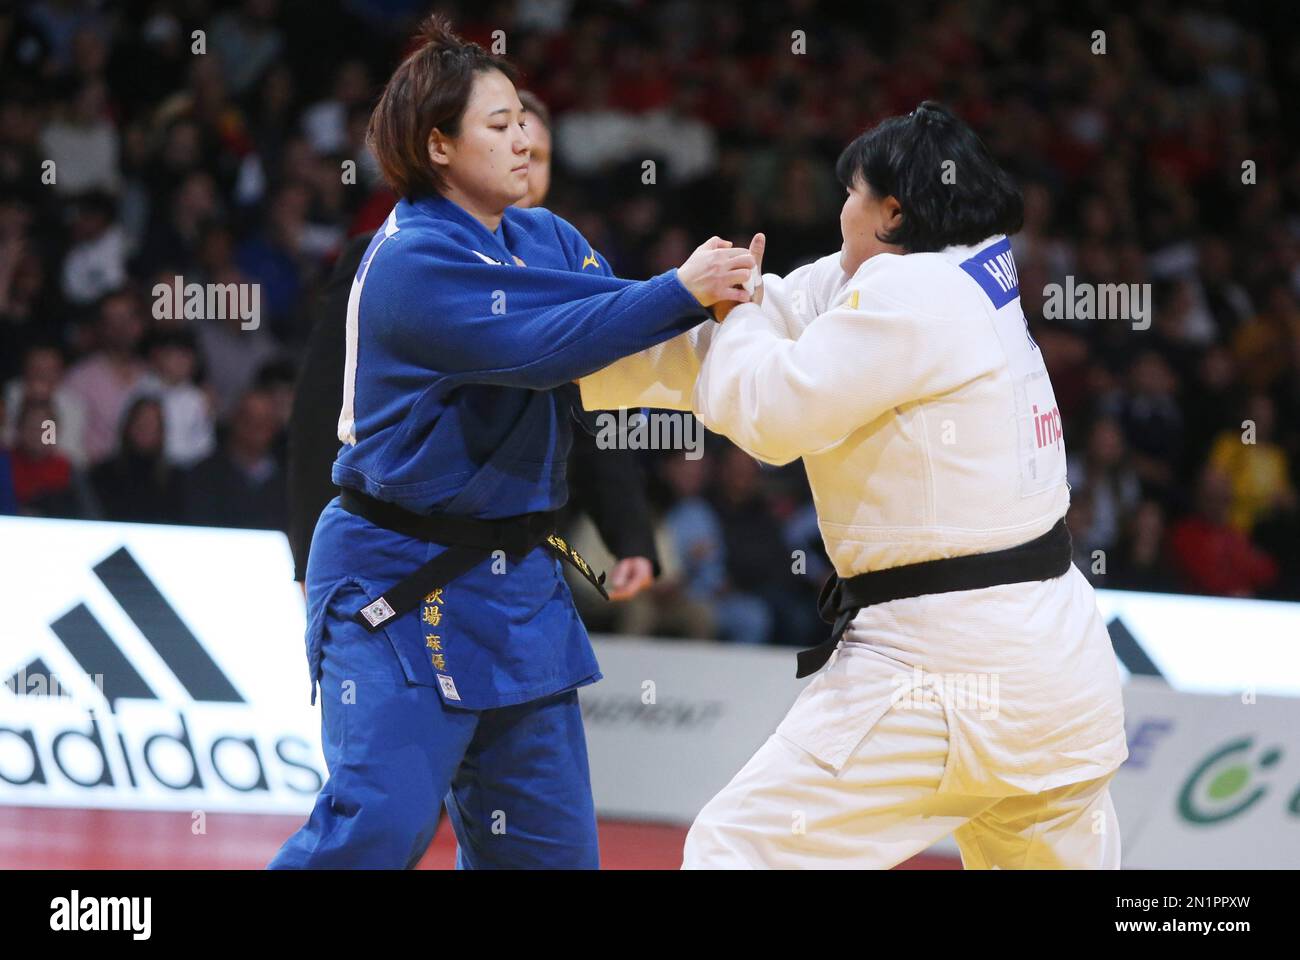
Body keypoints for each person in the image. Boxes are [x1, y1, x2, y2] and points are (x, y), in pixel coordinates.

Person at [580, 102, 1129, 869]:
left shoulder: (914, 299)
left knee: (737, 852)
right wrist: (565, 367)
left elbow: (768, 412)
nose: (841, 209)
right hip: (1060, 680)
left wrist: (740, 315)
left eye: (852, 193)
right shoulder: (961, 268)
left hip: (943, 671)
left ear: (893, 212)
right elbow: (760, 322)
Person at [268, 15, 752, 870]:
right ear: (439, 146)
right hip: (395, 580)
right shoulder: (411, 261)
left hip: (518, 589)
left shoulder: (545, 237)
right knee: (376, 828)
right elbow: (547, 351)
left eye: (524, 121)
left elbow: (621, 349)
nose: (525, 139)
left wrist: (763, 319)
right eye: (499, 125)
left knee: (550, 859)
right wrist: (681, 286)